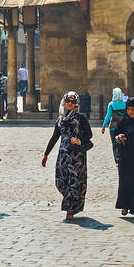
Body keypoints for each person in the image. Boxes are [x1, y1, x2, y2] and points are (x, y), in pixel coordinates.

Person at [41, 91, 93, 220]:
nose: (70, 103)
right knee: (60, 181)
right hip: (63, 154)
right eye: (68, 101)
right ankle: (73, 203)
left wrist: (79, 139)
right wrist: (46, 154)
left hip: (77, 155)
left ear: (76, 104)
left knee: (74, 182)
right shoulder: (61, 119)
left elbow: (89, 135)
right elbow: (54, 137)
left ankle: (69, 210)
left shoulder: (81, 118)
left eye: (72, 101)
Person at [101, 87, 128, 165]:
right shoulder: (125, 103)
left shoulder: (111, 104)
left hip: (113, 126)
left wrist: (103, 126)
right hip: (124, 126)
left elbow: (108, 116)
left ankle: (117, 159)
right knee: (124, 140)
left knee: (114, 143)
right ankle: (125, 157)